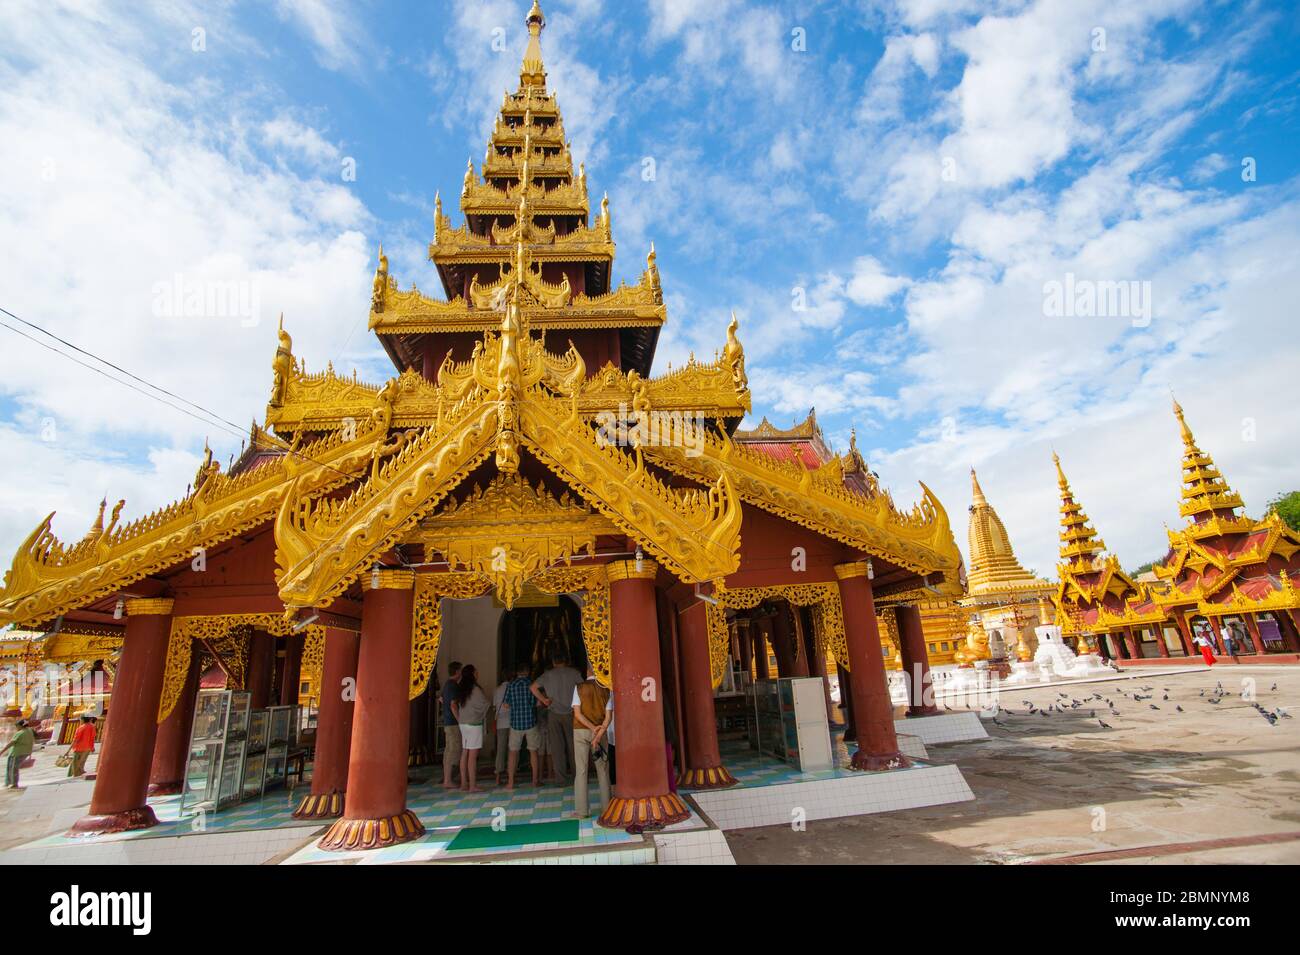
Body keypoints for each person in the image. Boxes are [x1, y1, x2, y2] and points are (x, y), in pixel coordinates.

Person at [531, 655, 581, 783]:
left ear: (553, 661)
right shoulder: (574, 673)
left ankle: (561, 779)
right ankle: (578, 777)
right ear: (566, 661)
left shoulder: (548, 675)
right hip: (571, 712)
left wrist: (544, 700)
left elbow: (533, 687)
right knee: (573, 746)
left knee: (557, 748)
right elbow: (582, 688)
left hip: (554, 712)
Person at [571, 669, 611, 819]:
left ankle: (582, 811)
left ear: (587, 671)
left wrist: (591, 728)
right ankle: (607, 809)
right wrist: (598, 731)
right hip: (601, 733)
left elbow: (577, 714)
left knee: (581, 770)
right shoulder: (607, 689)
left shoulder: (579, 687)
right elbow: (608, 716)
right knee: (603, 770)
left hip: (581, 731)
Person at [502, 663, 541, 790]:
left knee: (513, 753)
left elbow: (506, 705)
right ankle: (535, 781)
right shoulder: (531, 684)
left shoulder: (511, 685)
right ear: (527, 671)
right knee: (533, 752)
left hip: (515, 723)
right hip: (530, 722)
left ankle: (511, 782)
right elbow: (538, 703)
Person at [452, 664, 489, 793]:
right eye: (476, 672)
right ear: (473, 674)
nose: (478, 674)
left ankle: (464, 783)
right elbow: (484, 704)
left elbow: (454, 705)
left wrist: (460, 719)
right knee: (473, 756)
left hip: (463, 724)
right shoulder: (475, 689)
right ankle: (473, 785)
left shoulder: (461, 688)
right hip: (473, 724)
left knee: (465, 753)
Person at [439, 662, 463, 790]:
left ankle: (447, 778)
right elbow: (453, 704)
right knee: (454, 750)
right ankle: (448, 780)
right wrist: (459, 719)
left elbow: (441, 700)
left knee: (448, 751)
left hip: (447, 721)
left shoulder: (446, 685)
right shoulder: (453, 686)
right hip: (453, 723)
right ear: (457, 671)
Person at [2, 719, 35, 790]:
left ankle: (13, 783)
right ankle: (9, 782)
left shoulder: (20, 733)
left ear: (20, 726)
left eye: (17, 726)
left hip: (16, 753)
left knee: (13, 769)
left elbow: (11, 743)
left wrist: (2, 751)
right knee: (12, 768)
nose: (16, 728)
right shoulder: (29, 731)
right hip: (25, 752)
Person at [491, 675, 511, 786]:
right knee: (512, 750)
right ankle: (510, 775)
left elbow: (494, 706)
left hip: (500, 723)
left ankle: (498, 776)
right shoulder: (512, 687)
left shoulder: (496, 690)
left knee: (500, 749)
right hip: (512, 721)